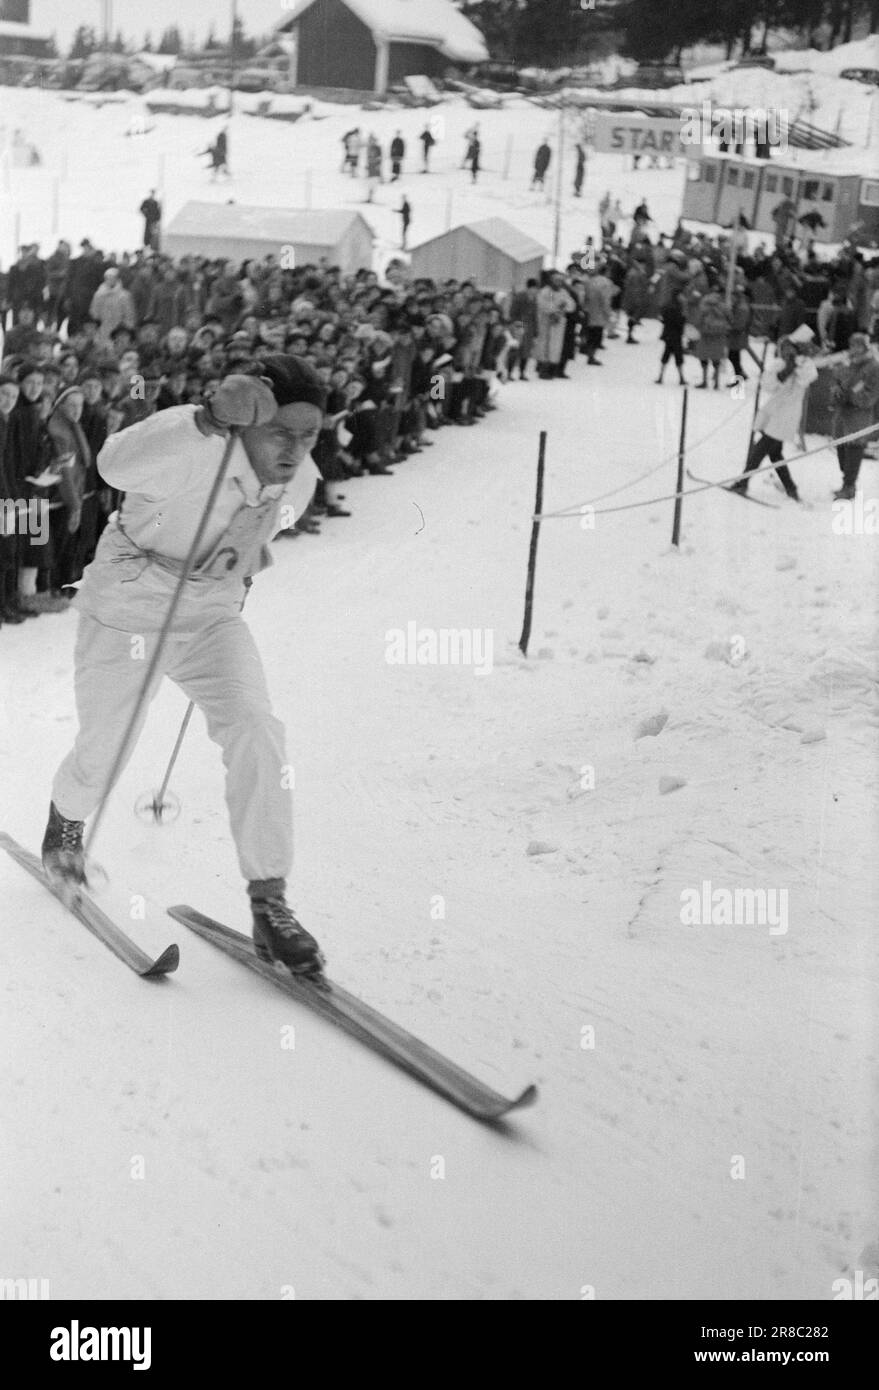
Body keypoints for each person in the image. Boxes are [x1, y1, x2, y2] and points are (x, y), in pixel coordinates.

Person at [41, 356, 327, 978]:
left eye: (311, 435)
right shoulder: (195, 440)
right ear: (248, 419)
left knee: (257, 727)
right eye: (283, 432)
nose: (296, 449)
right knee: (108, 743)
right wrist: (204, 419)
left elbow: (259, 535)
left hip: (209, 616)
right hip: (130, 605)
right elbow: (111, 463)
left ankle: (269, 899)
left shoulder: (299, 482)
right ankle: (66, 827)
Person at [731, 328, 818, 502]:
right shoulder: (779, 364)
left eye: (788, 348)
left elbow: (807, 378)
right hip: (775, 411)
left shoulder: (806, 364)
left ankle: (743, 482)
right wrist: (784, 370)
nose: (785, 352)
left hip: (787, 413)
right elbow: (768, 384)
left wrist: (795, 365)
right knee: (775, 453)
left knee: (760, 448)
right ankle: (791, 488)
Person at [829, 333, 879, 500]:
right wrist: (836, 390)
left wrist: (850, 396)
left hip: (859, 415)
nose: (854, 349)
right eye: (852, 345)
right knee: (841, 450)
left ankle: (849, 486)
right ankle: (847, 481)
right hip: (843, 414)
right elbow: (837, 378)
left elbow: (871, 394)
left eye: (858, 346)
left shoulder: (873, 367)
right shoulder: (848, 362)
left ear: (865, 347)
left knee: (853, 450)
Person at [509, 279, 539, 379]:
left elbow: (535, 317)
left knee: (526, 351)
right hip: (519, 326)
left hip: (529, 328)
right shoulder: (520, 297)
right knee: (515, 349)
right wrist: (517, 325)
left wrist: (535, 331)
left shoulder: (534, 299)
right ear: (529, 288)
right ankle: (509, 372)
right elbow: (513, 312)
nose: (535, 290)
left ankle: (522, 372)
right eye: (533, 288)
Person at [656, 292, 688, 386]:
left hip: (668, 334)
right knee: (678, 357)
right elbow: (679, 321)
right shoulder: (678, 308)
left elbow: (662, 318)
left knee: (666, 355)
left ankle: (661, 376)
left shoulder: (668, 305)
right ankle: (681, 378)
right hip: (676, 336)